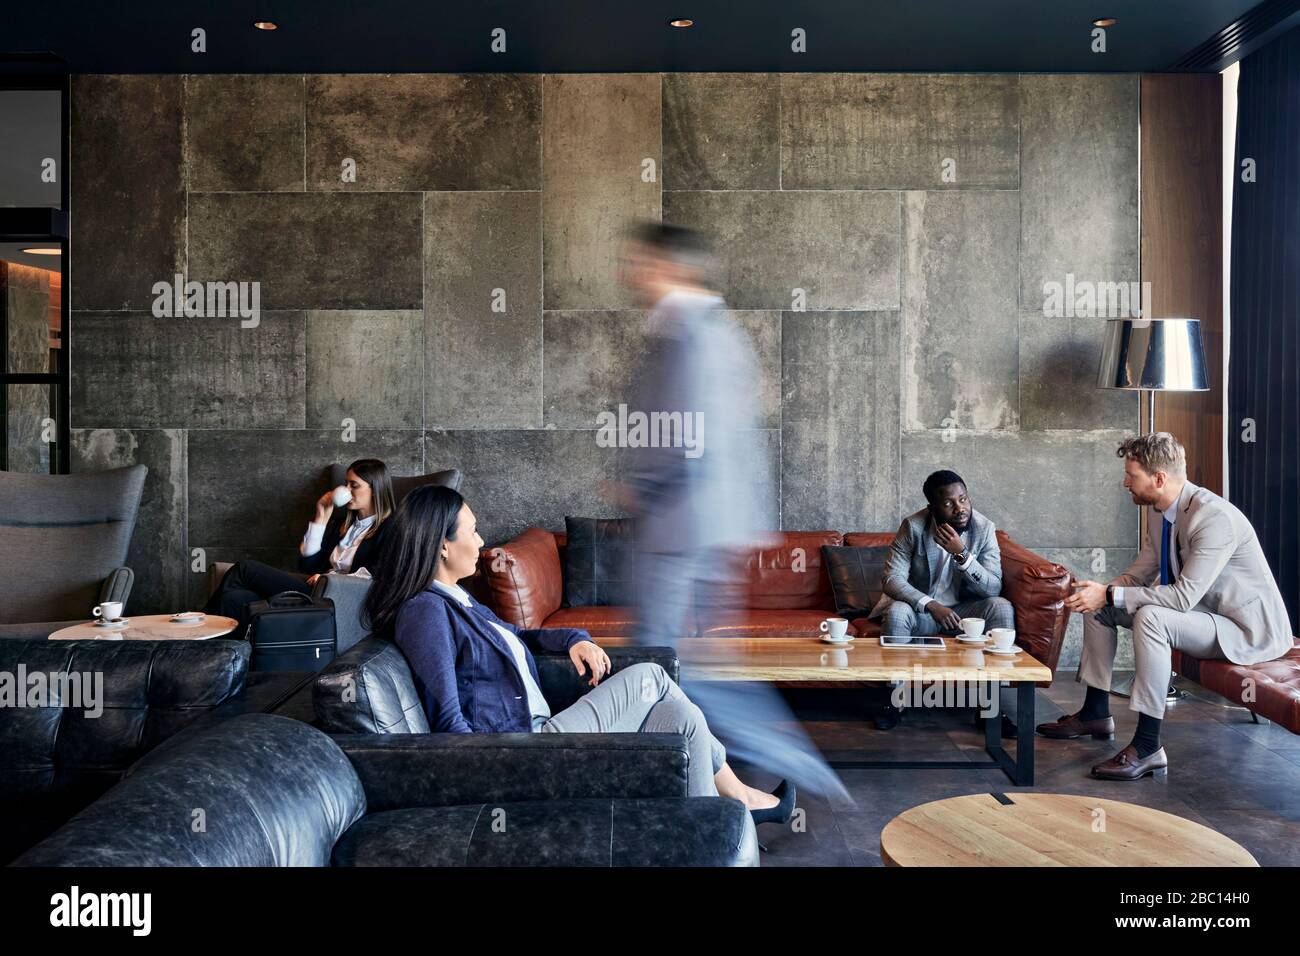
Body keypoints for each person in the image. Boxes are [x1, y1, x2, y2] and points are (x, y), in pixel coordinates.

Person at [364, 483, 796, 823]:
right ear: (442, 545)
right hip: (522, 750)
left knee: (680, 721)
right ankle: (739, 798)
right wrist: (491, 773)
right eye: (473, 530)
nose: (480, 541)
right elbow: (446, 721)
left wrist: (574, 639)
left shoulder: (457, 599)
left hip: (535, 735)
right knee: (651, 677)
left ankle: (710, 828)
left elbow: (520, 636)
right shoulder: (425, 611)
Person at [605, 221, 847, 803]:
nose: (631, 273)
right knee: (684, 661)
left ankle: (785, 767)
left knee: (664, 658)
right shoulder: (709, 327)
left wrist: (642, 485)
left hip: (682, 524)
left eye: (640, 262)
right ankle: (683, 772)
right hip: (701, 522)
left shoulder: (687, 331)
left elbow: (690, 431)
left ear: (669, 267)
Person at [1042, 433, 1293, 780]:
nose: (1125, 482)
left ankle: (1148, 746)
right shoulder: (1163, 514)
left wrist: (1112, 594)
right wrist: (1098, 592)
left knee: (1151, 618)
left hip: (1245, 630)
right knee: (1101, 606)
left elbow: (1180, 598)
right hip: (1204, 616)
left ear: (1159, 479)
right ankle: (1095, 712)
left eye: (1132, 476)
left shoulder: (1213, 518)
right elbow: (1138, 576)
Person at [866, 469, 1016, 730]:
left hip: (963, 614)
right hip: (922, 612)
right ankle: (893, 701)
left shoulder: (984, 528)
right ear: (932, 507)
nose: (960, 508)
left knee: (1000, 606)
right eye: (948, 503)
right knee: (898, 611)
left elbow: (993, 587)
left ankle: (990, 706)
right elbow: (892, 580)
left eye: (964, 499)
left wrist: (964, 556)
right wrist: (931, 605)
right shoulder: (913, 527)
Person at [205, 458, 395, 629]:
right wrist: (321, 517)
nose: (346, 490)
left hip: (335, 597)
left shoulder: (390, 528)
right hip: (315, 588)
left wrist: (331, 579)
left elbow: (377, 577)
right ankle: (209, 651)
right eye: (345, 484)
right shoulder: (342, 525)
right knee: (233, 599)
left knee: (244, 568)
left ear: (375, 488)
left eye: (354, 485)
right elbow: (307, 566)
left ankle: (193, 631)